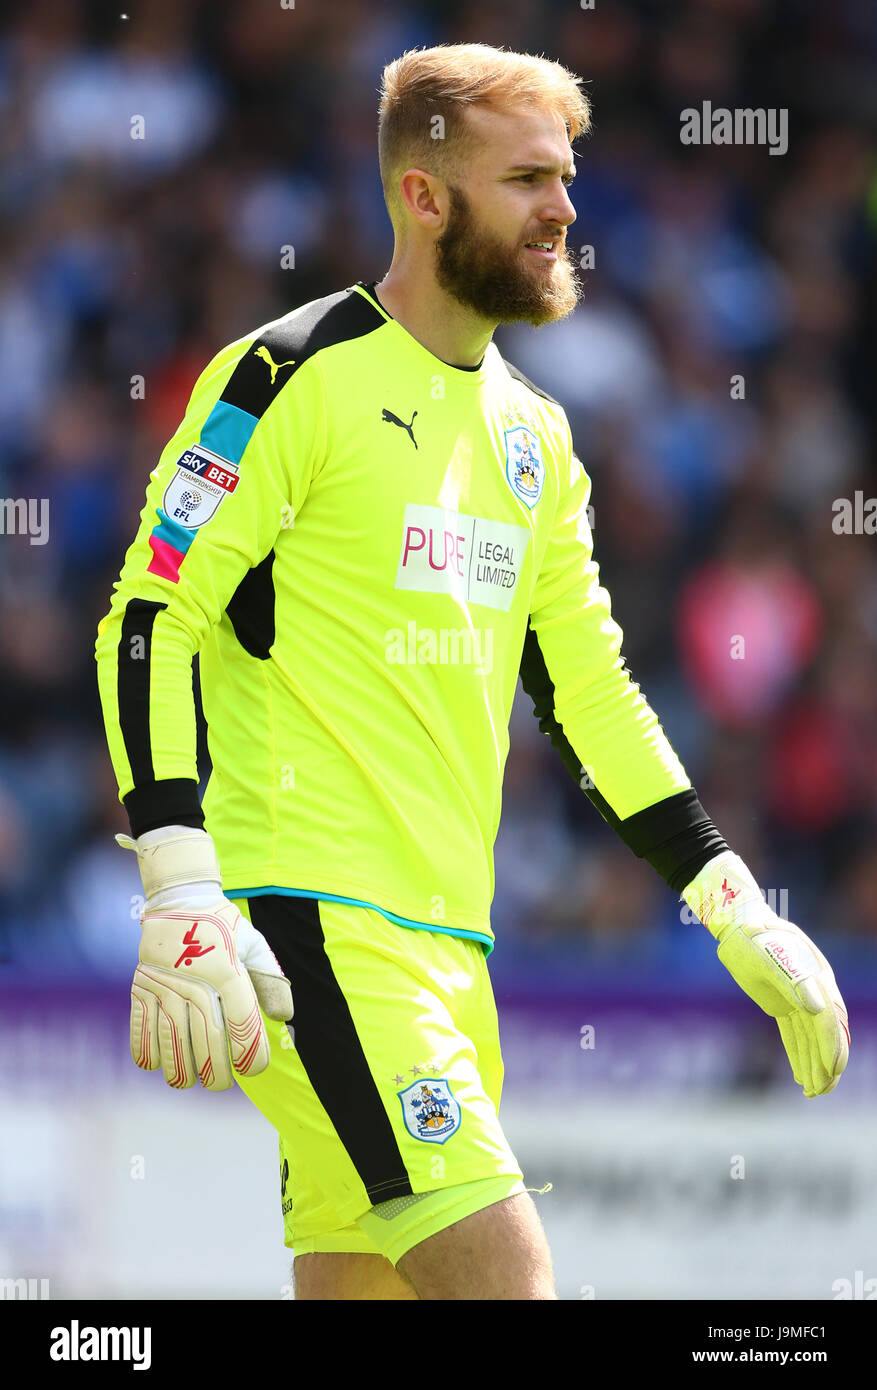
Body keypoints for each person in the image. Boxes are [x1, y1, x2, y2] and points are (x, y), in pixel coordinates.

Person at [94, 42, 849, 1302]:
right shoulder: (284, 375)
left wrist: (735, 902)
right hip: (306, 932)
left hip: (450, 949)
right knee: (510, 1287)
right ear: (423, 197)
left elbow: (591, 693)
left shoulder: (538, 440)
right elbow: (148, 617)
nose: (564, 207)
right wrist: (177, 877)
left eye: (566, 175)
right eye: (528, 180)